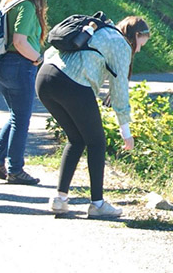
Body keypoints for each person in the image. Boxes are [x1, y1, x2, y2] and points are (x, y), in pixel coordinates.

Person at [35, 15, 150, 217]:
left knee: (77, 139)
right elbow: (120, 87)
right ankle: (97, 204)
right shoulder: (120, 44)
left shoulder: (97, 29)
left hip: (44, 79)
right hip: (72, 83)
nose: (140, 49)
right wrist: (126, 130)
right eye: (142, 43)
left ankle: (60, 199)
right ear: (137, 35)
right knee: (97, 142)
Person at [0, 0, 57, 185]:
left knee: (16, 114)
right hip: (18, 64)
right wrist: (39, 59)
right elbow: (19, 41)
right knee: (22, 118)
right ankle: (16, 169)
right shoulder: (26, 5)